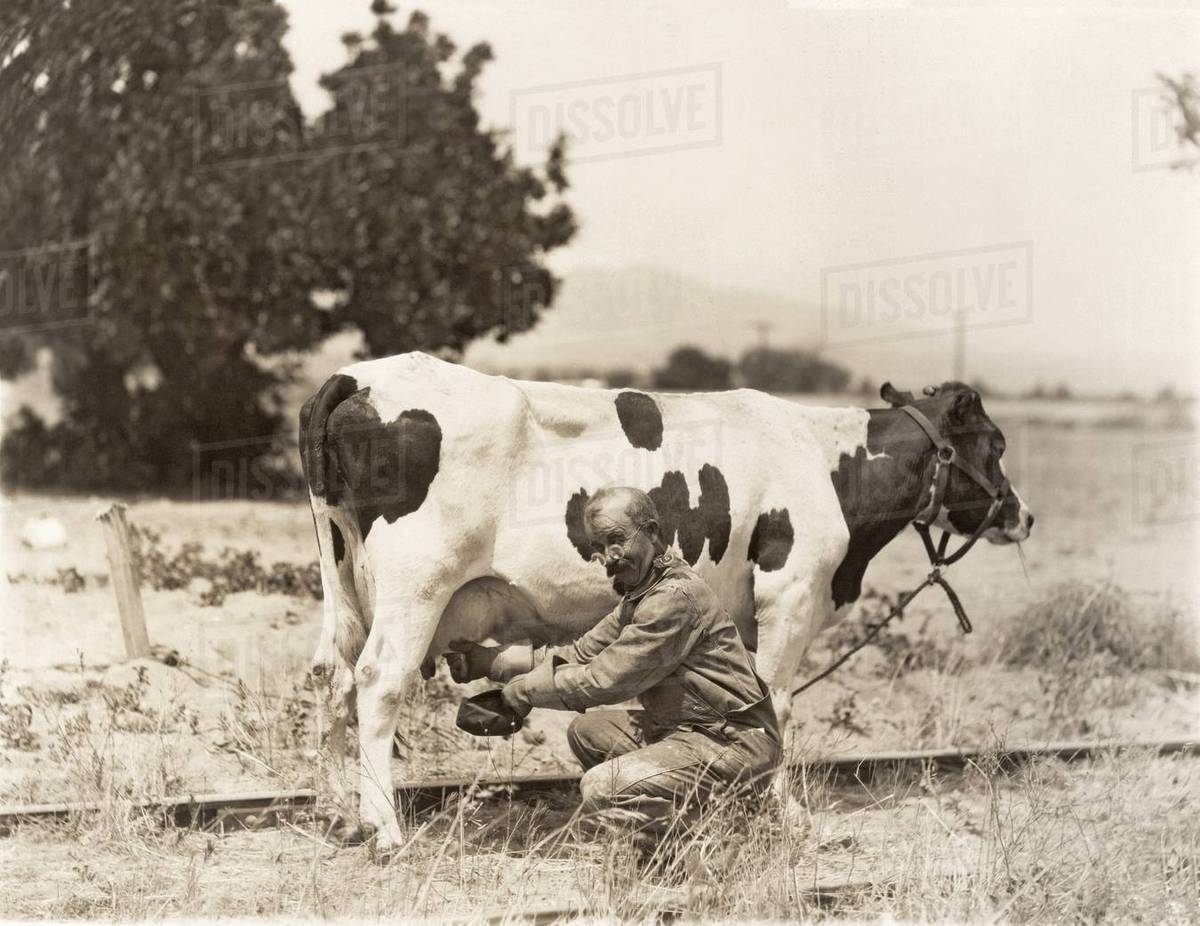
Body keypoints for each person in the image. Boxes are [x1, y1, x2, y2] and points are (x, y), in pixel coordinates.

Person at [448, 486, 781, 848]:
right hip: (685, 731)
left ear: (651, 532)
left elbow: (602, 680)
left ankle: (713, 841)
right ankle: (688, 820)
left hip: (732, 744)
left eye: (616, 540)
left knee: (601, 786)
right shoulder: (644, 591)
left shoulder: (673, 600)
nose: (609, 557)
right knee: (588, 731)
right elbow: (583, 652)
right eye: (599, 548)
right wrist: (494, 662)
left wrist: (520, 693)